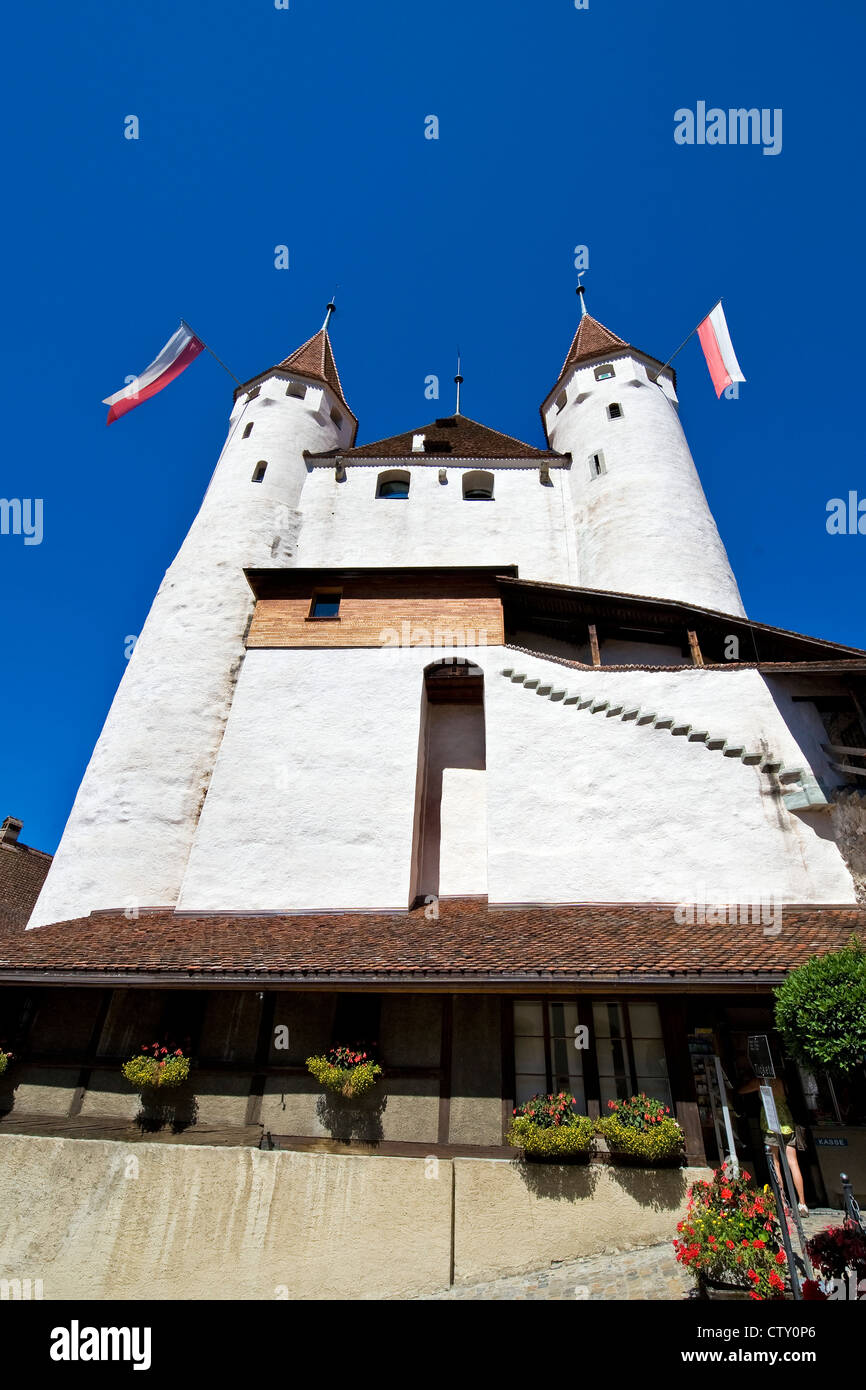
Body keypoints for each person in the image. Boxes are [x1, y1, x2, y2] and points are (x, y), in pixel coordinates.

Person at [739, 1074, 808, 1215]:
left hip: (770, 1122)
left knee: (775, 1164)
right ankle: (802, 1203)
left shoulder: (761, 1080)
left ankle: (783, 1203)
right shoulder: (782, 1081)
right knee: (793, 1163)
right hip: (787, 1122)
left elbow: (741, 1090)